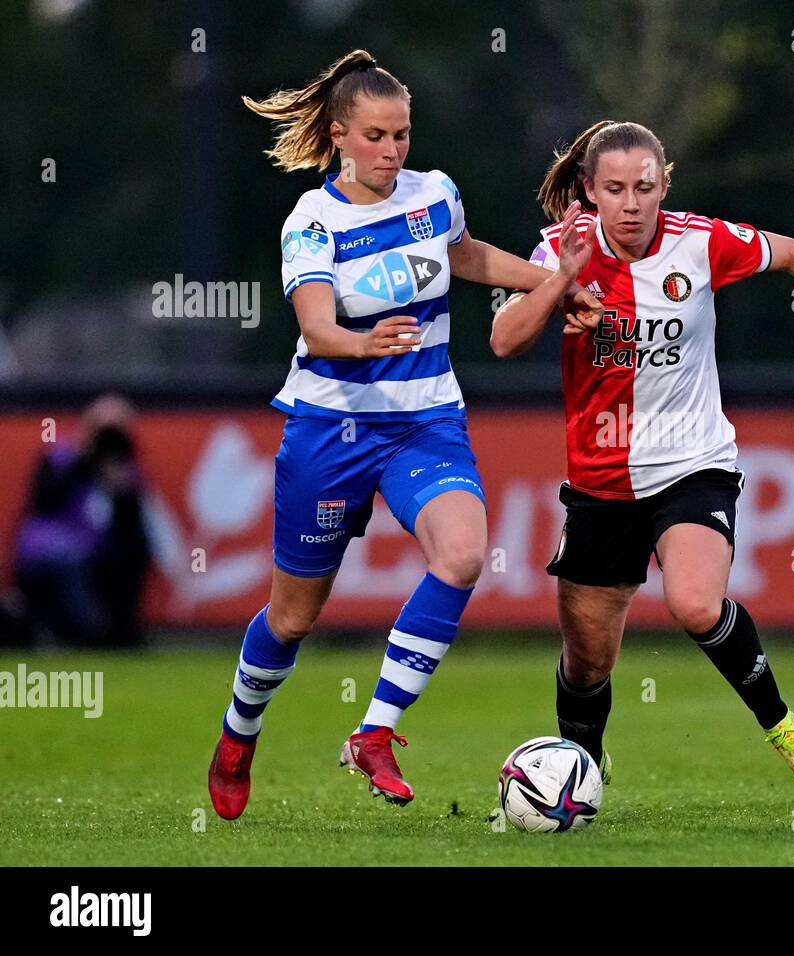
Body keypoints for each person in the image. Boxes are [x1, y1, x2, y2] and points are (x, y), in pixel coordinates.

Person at [207, 50, 598, 820]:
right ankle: (238, 732)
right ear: (340, 136)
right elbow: (317, 328)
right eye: (378, 136)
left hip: (424, 419)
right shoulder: (313, 222)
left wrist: (555, 286)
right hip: (330, 429)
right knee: (293, 618)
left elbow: (466, 257)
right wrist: (364, 343)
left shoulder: (434, 193)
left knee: (460, 554)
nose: (393, 150)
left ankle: (375, 731)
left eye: (403, 134)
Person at [491, 120, 794, 792]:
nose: (632, 203)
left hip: (693, 463)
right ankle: (581, 773)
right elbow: (505, 339)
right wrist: (561, 284)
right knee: (587, 663)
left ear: (665, 184)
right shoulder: (558, 249)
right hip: (601, 480)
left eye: (645, 186)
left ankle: (786, 729)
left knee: (696, 604)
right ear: (589, 190)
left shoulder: (701, 241)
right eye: (615, 188)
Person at [13, 394, 152, 648]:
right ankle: (86, 632)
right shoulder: (60, 456)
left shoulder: (125, 468)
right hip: (52, 549)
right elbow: (44, 502)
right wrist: (82, 459)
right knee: (72, 564)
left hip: (97, 548)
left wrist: (121, 489)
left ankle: (122, 629)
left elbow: (133, 525)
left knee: (135, 551)